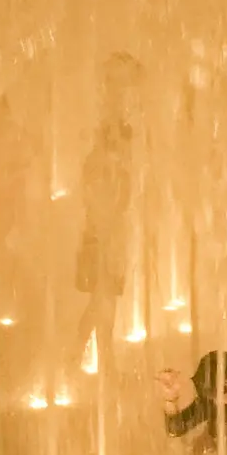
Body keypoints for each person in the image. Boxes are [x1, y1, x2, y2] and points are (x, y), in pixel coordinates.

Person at [72, 53, 141, 378]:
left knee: (106, 300)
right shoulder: (100, 163)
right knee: (102, 299)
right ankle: (79, 356)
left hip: (111, 237)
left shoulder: (115, 166)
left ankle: (96, 359)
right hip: (102, 236)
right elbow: (94, 201)